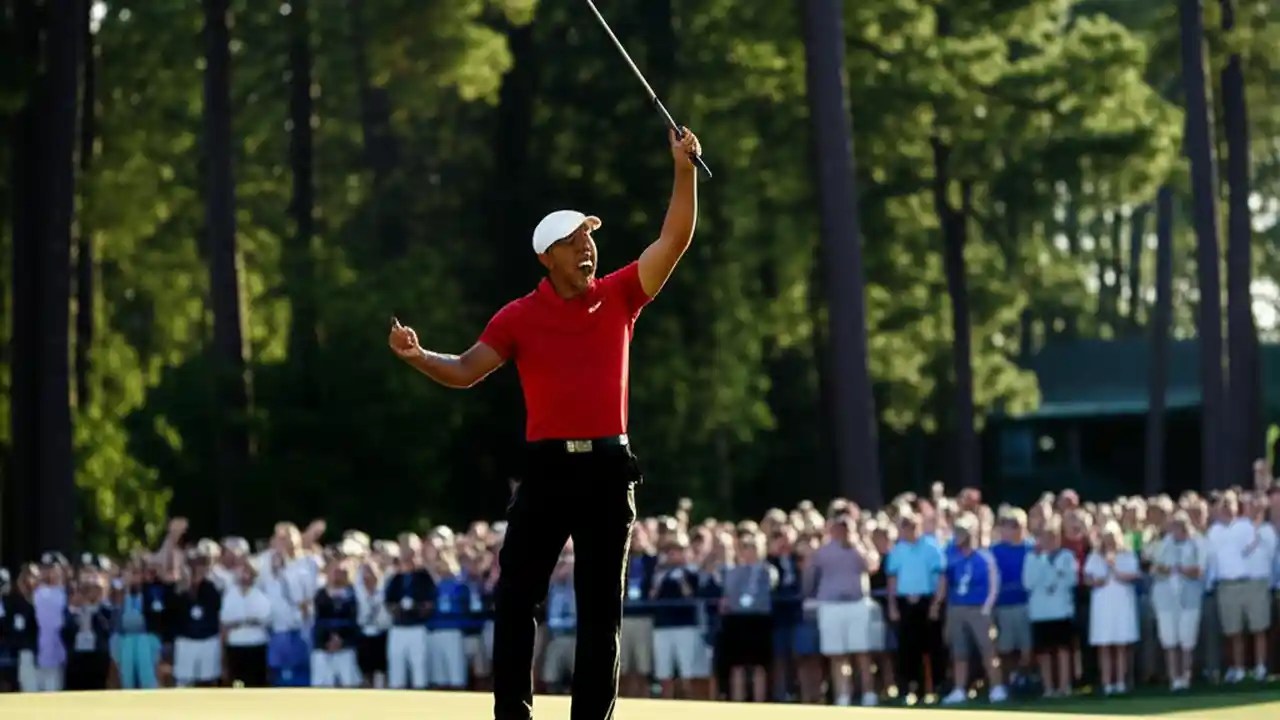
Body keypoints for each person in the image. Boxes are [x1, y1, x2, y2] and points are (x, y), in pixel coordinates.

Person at [389, 127, 702, 720]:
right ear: (546, 256)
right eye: (573, 240)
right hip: (547, 471)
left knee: (599, 611)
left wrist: (682, 169)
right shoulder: (518, 318)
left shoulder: (619, 296)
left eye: (589, 237)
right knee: (515, 600)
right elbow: (465, 369)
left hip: (611, 470)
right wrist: (419, 356)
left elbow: (674, 239)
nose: (587, 247)